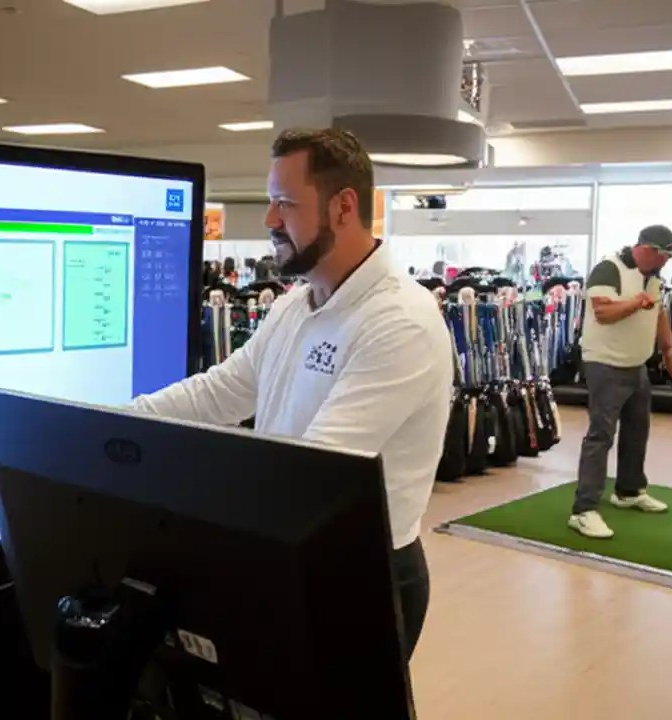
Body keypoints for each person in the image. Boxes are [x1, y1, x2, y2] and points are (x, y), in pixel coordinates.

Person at [131, 128, 453, 659]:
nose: (269, 220)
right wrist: (116, 421)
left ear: (344, 207)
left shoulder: (400, 322)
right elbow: (221, 392)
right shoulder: (294, 305)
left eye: (284, 203)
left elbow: (312, 470)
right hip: (291, 553)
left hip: (361, 578)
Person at [569, 225, 672, 539]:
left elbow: (658, 314)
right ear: (647, 249)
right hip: (605, 363)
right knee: (601, 435)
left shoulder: (655, 277)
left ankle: (629, 491)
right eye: (665, 256)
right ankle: (583, 510)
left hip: (637, 365)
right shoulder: (609, 268)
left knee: (637, 429)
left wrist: (668, 349)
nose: (666, 263)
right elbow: (603, 311)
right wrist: (636, 302)